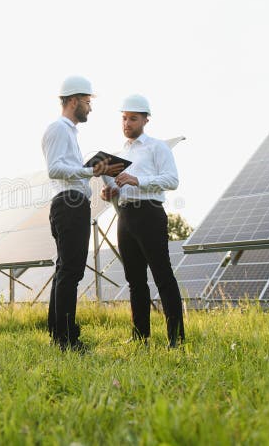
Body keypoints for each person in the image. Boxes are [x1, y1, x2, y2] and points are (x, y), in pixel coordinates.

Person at [42, 75, 125, 351]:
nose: (90, 107)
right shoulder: (58, 129)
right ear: (74, 101)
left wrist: (92, 171)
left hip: (70, 203)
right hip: (69, 204)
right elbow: (54, 169)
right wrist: (92, 170)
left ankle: (58, 333)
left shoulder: (69, 133)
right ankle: (67, 339)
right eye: (88, 102)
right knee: (71, 271)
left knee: (65, 269)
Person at [100, 94, 184, 347]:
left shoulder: (157, 147)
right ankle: (140, 337)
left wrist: (138, 180)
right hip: (125, 215)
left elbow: (172, 180)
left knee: (162, 275)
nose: (127, 123)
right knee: (134, 280)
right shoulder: (119, 154)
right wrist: (111, 192)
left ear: (146, 120)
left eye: (133, 119)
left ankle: (176, 339)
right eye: (124, 118)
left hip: (149, 213)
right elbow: (121, 186)